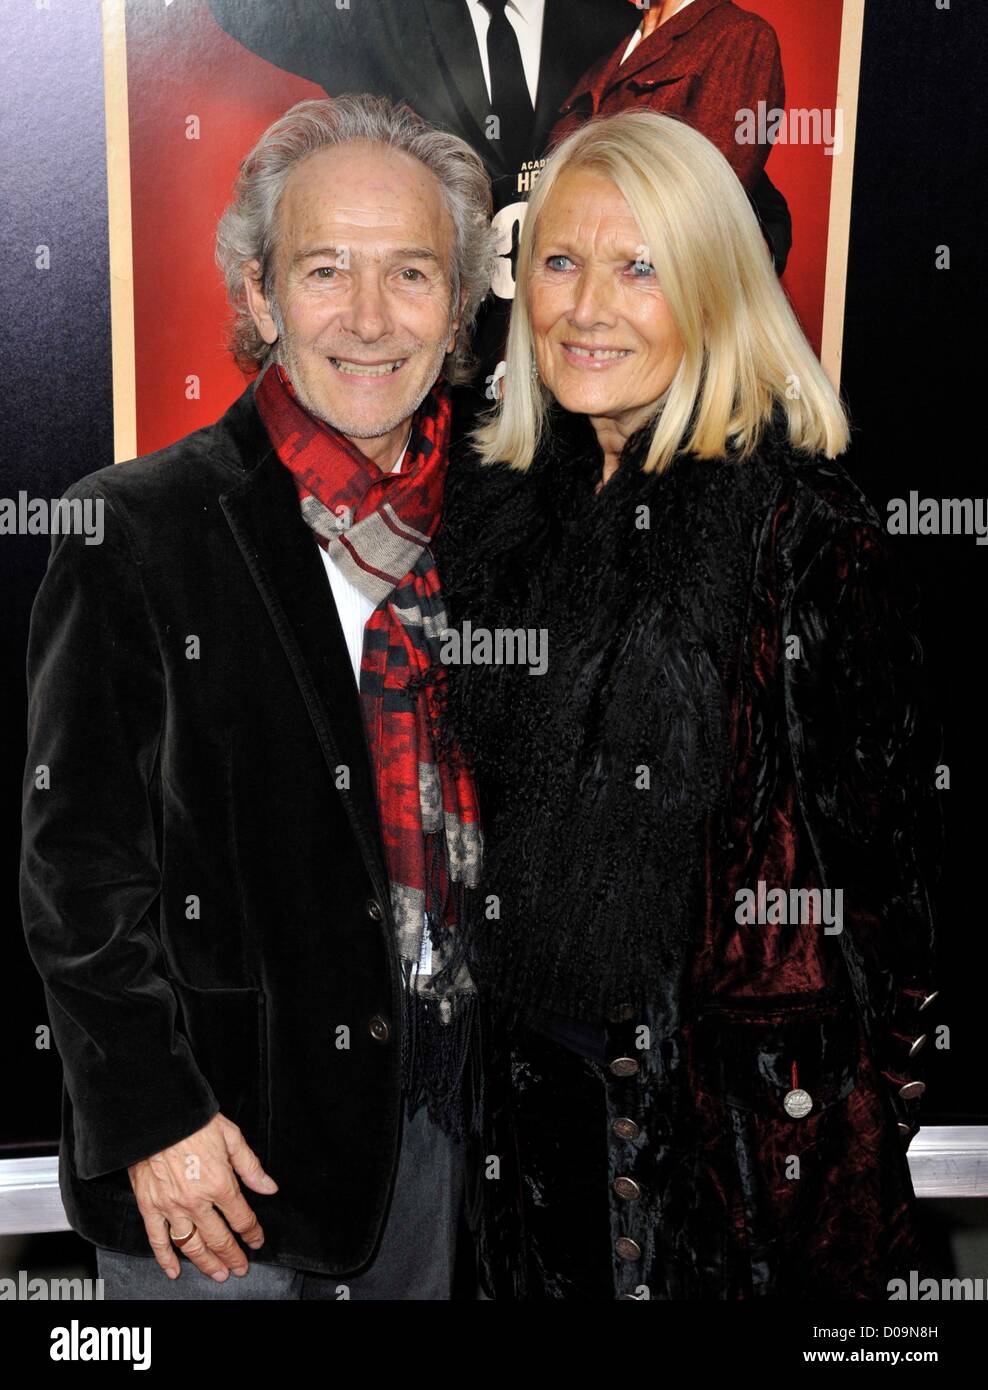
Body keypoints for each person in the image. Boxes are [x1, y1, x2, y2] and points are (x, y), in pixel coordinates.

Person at [434, 108, 943, 1300]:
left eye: (639, 266)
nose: (586, 305)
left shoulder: (798, 529)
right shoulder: (497, 510)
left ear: (716, 286)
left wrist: (827, 1118)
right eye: (559, 260)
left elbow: (888, 882)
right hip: (519, 1125)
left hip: (708, 1146)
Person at [19, 94, 494, 1300]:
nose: (371, 319)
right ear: (260, 294)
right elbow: (75, 873)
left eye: (412, 273)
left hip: (446, 1138)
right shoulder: (137, 530)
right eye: (326, 269)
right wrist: (151, 1116)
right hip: (217, 1170)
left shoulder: (503, 534)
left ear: (458, 306)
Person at [550, 0, 794, 273]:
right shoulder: (610, 45)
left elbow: (707, 199)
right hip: (589, 272)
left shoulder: (739, 36)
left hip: (660, 284)